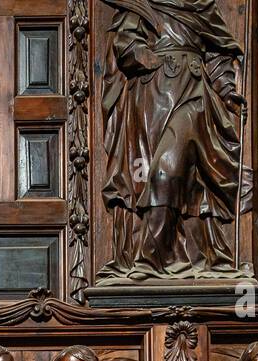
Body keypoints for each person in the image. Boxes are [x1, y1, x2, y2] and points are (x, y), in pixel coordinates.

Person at [99, 0, 246, 279]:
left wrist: (228, 91)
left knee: (167, 170)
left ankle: (150, 258)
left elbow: (217, 56)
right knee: (168, 175)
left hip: (194, 96)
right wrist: (147, 56)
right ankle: (169, 256)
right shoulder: (141, 4)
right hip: (153, 101)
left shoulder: (202, 6)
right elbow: (125, 44)